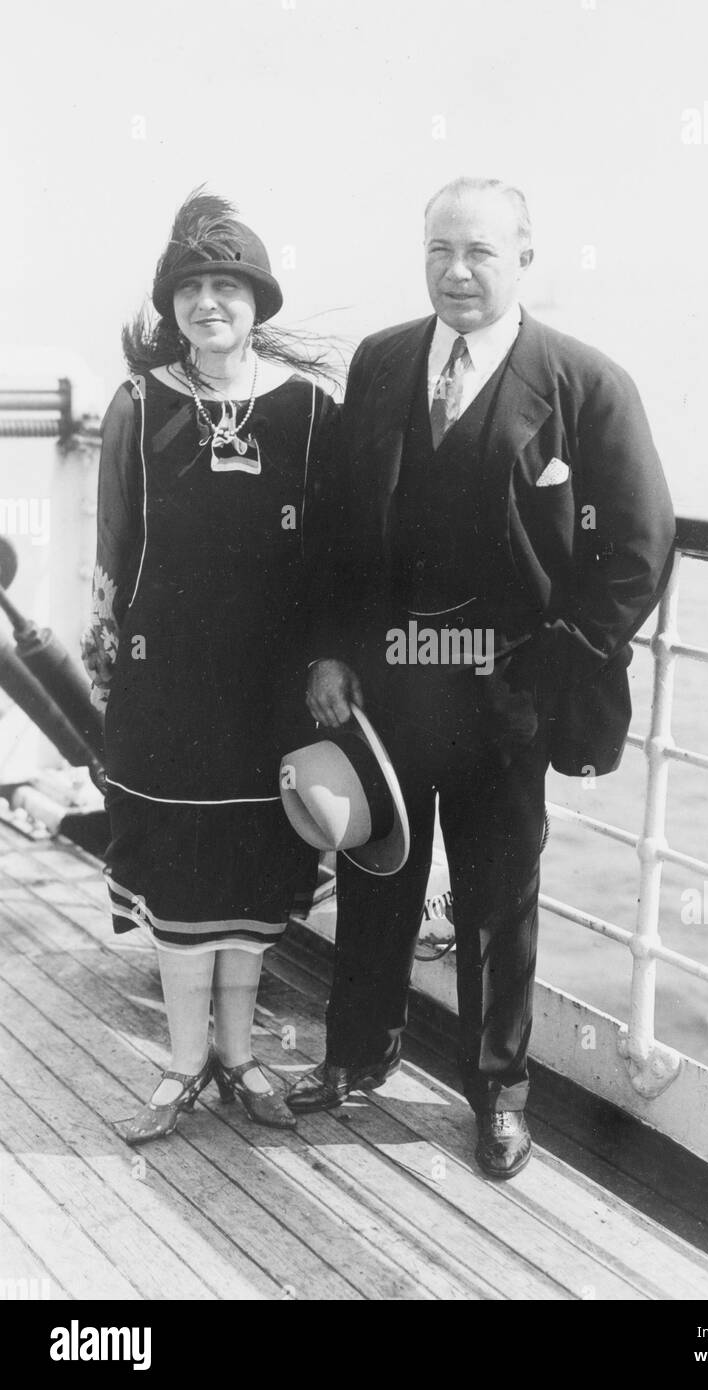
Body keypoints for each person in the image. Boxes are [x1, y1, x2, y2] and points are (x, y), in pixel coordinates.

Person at [286, 177, 676, 1179]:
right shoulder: (378, 363)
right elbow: (333, 527)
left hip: (510, 691)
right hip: (387, 681)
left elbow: (637, 549)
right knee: (377, 872)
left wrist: (553, 666)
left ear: (526, 259)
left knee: (499, 898)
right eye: (439, 251)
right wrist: (329, 650)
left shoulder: (588, 385)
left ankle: (498, 1097)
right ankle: (355, 1057)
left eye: (481, 253)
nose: (457, 272)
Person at [81, 189, 338, 1144]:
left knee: (257, 864)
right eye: (191, 288)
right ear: (171, 306)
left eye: (227, 285)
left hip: (273, 689)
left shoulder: (310, 412)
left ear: (257, 301)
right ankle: (185, 1061)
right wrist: (108, 674)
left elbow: (336, 560)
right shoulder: (139, 406)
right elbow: (110, 551)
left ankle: (238, 1053)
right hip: (166, 682)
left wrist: (332, 664)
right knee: (183, 869)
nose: (209, 304)